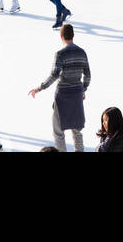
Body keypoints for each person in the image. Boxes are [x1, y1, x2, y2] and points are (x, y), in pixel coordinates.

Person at [29, 22, 90, 153]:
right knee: (77, 130)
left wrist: (40, 88)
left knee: (58, 131)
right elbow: (88, 75)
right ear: (73, 35)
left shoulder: (60, 54)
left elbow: (54, 75)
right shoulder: (82, 52)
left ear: (61, 36)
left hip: (62, 95)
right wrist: (83, 89)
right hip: (76, 94)